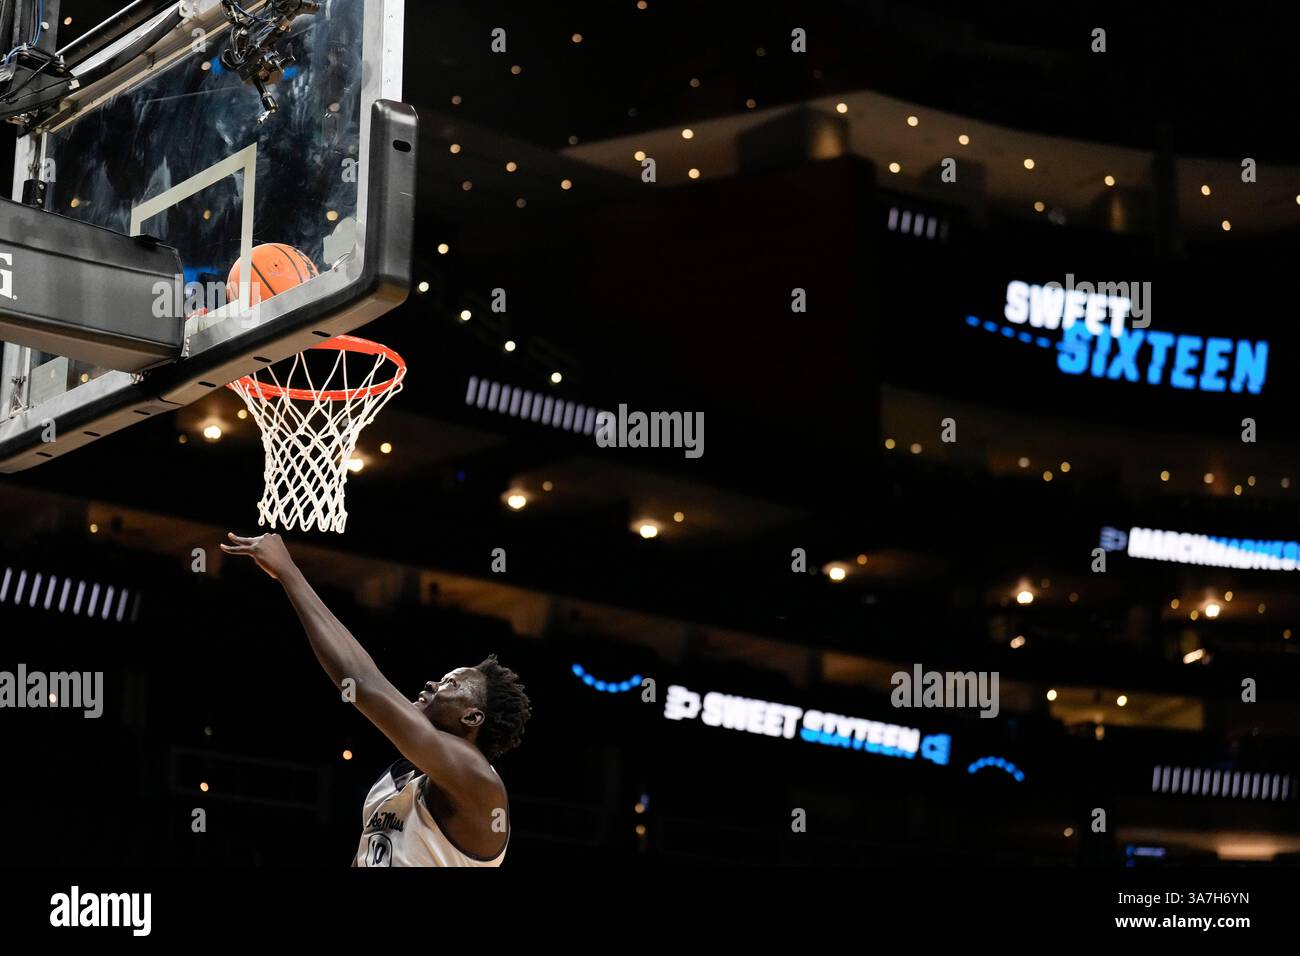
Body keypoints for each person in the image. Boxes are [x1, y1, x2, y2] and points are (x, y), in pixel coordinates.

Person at [220, 532, 532, 866]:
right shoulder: (396, 780)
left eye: (449, 684)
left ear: (472, 718)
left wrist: (289, 572)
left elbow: (364, 683)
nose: (431, 683)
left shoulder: (478, 780)